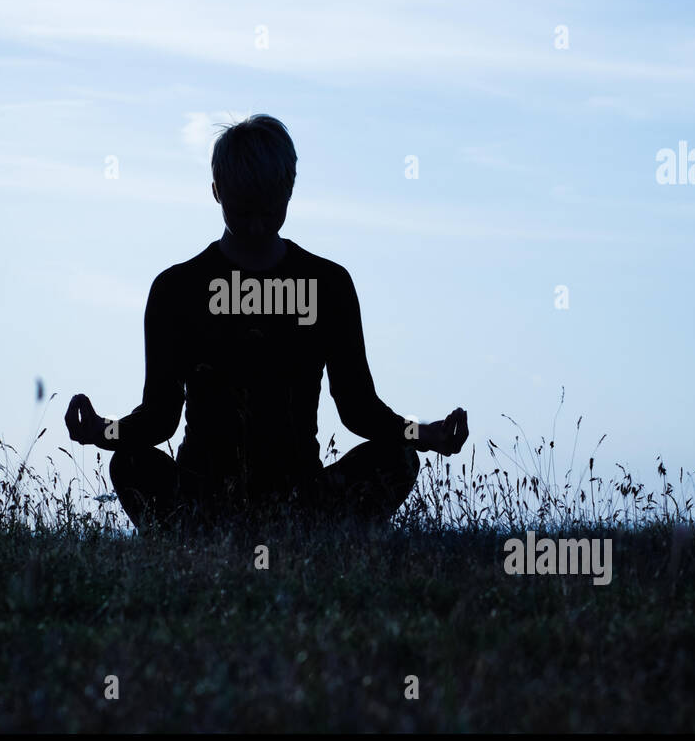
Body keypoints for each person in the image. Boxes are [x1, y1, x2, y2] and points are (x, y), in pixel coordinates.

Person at [65, 114, 467, 533]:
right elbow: (158, 417)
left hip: (302, 498)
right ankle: (239, 540)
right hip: (203, 498)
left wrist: (422, 435)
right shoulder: (176, 290)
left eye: (268, 210)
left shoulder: (329, 285)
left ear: (289, 192)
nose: (256, 226)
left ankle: (283, 540)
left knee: (397, 457)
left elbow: (359, 408)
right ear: (218, 192)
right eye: (244, 211)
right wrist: (102, 431)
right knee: (129, 461)